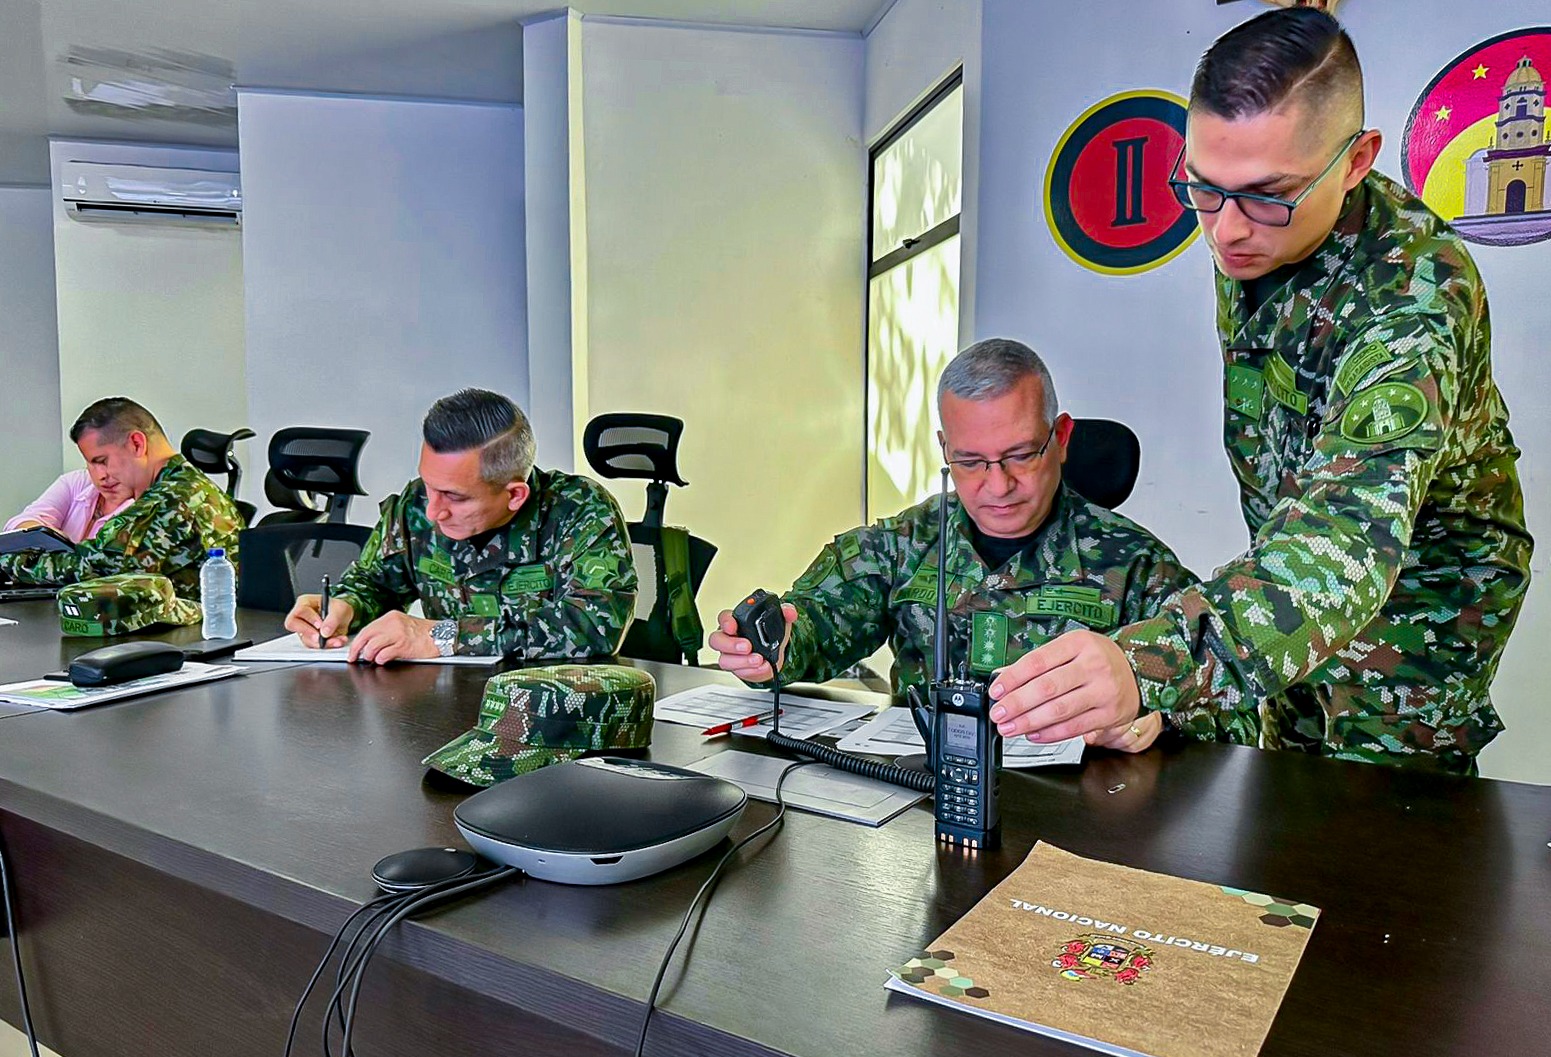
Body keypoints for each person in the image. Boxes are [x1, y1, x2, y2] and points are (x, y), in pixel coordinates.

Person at [989, 8, 1532, 774]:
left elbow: (1342, 543)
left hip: (1419, 603)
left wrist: (1146, 668)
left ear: (1354, 161)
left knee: (1376, 834)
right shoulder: (1252, 226)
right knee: (1284, 791)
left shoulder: (1408, 303)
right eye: (1204, 189)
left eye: (1266, 195)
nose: (1226, 232)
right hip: (1291, 565)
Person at [709, 339, 1253, 747]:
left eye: (1020, 455)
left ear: (1060, 439)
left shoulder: (1136, 566)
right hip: (922, 808)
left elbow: (1236, 705)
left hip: (1073, 824)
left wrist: (1153, 716)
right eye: (969, 462)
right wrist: (776, 648)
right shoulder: (904, 542)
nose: (998, 486)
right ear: (946, 448)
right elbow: (821, 621)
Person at [284, 388, 638, 664]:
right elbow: (376, 583)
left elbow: (595, 627)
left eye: (454, 496)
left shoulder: (579, 511)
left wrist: (441, 636)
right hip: (442, 704)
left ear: (514, 495)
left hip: (548, 712)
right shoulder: (417, 504)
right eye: (428, 486)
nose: (434, 510)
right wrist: (347, 607)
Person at [0, 398, 242, 598]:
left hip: (194, 643)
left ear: (137, 444)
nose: (101, 475)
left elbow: (98, 567)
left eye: (102, 461)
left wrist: (13, 560)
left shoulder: (172, 499)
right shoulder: (186, 485)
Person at [5, 469, 132, 543]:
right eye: (93, 462)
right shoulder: (77, 481)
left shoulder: (146, 506)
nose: (101, 475)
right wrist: (53, 538)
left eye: (106, 461)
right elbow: (17, 525)